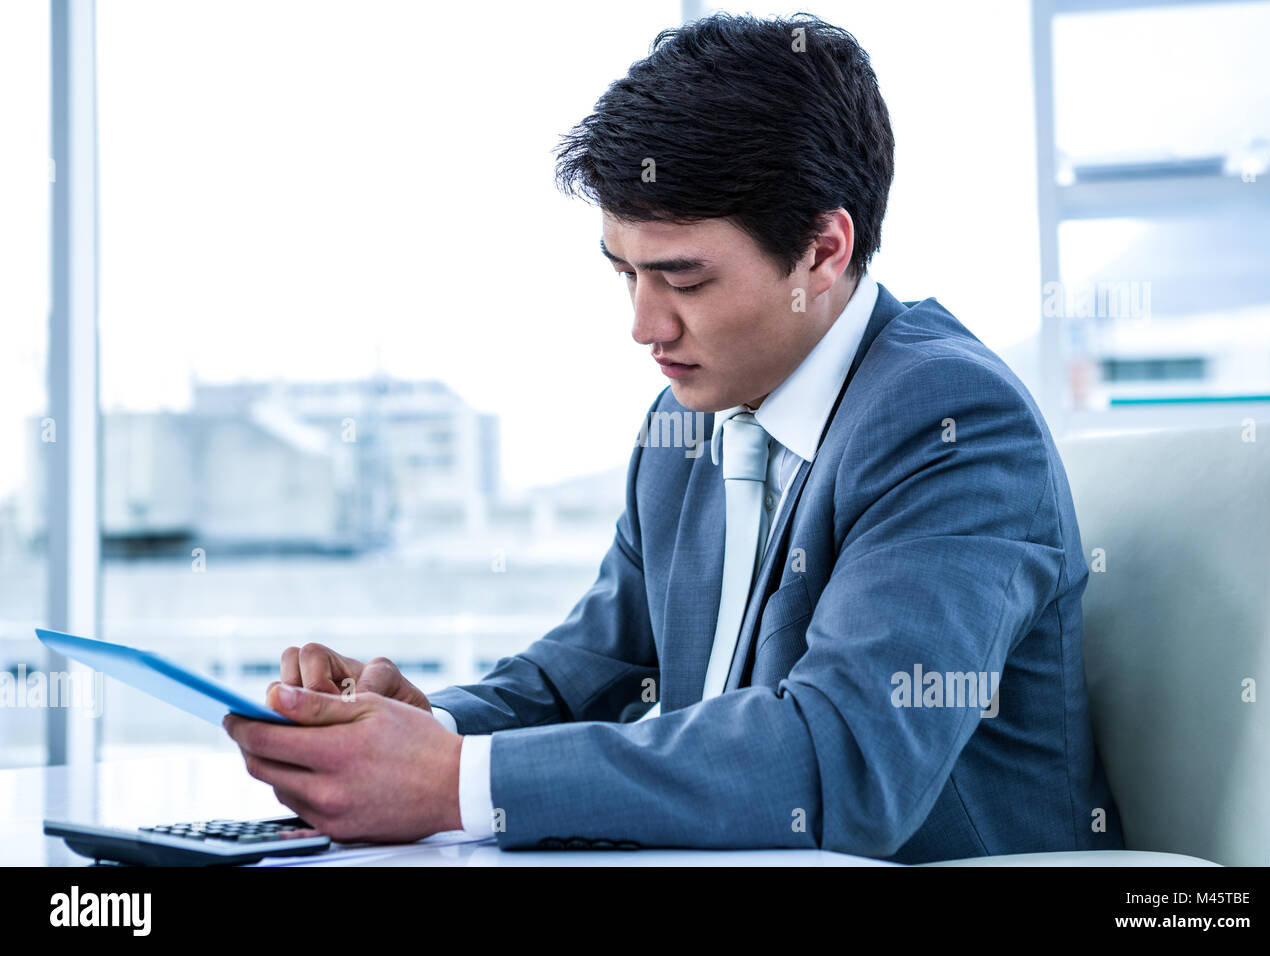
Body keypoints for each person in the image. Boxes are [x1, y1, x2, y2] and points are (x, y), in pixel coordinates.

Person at [224, 11, 1124, 862]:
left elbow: (844, 763)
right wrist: (430, 729)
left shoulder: (948, 421)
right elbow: (590, 672)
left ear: (823, 249)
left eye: (683, 280)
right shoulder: (685, 426)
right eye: (625, 275)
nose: (645, 327)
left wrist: (453, 783)